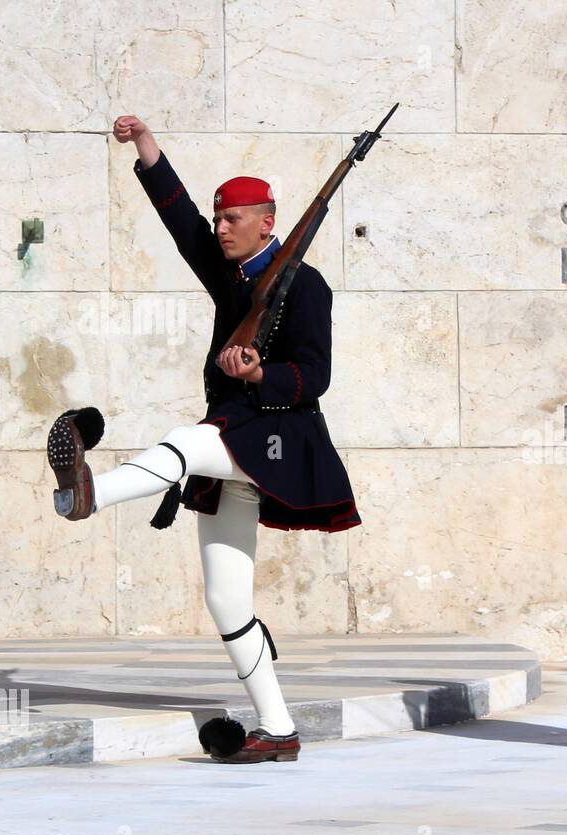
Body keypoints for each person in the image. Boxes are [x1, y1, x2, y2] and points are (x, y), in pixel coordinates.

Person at [46, 114, 362, 764]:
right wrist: (146, 146)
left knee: (185, 443)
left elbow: (316, 376)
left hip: (277, 440)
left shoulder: (306, 285)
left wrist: (261, 372)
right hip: (235, 439)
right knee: (225, 597)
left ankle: (89, 494)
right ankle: (278, 729)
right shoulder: (231, 276)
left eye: (233, 219)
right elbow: (180, 221)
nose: (220, 228)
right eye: (219, 218)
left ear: (268, 223)